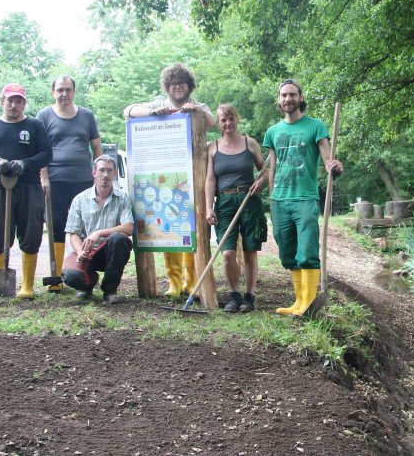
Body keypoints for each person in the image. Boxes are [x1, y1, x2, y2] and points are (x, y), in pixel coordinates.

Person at [124, 63, 215, 297]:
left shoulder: (198, 104)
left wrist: (194, 110)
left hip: (192, 177)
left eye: (182, 83)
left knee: (191, 228)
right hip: (165, 178)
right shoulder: (158, 103)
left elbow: (212, 121)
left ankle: (191, 282)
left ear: (189, 86)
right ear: (167, 86)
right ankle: (174, 283)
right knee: (169, 227)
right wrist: (153, 113)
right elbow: (129, 110)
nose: (177, 88)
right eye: (173, 84)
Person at [263, 79, 342, 317]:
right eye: (283, 95)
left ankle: (308, 303)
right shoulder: (273, 132)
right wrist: (271, 195)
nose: (287, 99)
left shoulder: (315, 126)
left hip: (305, 198)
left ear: (300, 97)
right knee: (287, 253)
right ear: (279, 100)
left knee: (306, 251)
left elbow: (329, 161)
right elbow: (273, 167)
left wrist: (335, 167)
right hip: (280, 201)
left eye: (292, 95)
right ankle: (298, 302)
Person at [0, 83, 53, 298]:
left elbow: (46, 154)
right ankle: (1, 286)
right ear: (2, 101)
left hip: (29, 187)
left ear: (24, 103)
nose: (14, 105)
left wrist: (25, 164)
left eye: (18, 101)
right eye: (10, 100)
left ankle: (27, 286)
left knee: (31, 233)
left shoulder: (34, 126)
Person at [37, 75, 103, 292]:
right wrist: (44, 178)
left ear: (74, 92)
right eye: (59, 90)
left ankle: (83, 275)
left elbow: (96, 148)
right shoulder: (44, 116)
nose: (64, 94)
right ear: (53, 92)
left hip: (83, 180)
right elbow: (40, 151)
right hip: (55, 181)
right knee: (56, 226)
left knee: (84, 227)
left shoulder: (86, 115)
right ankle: (55, 278)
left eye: (68, 89)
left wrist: (99, 173)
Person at [205, 104, 268, 313]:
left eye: (231, 118)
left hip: (249, 201)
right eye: (223, 120)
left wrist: (261, 182)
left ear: (237, 119)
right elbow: (210, 180)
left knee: (250, 251)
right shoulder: (212, 147)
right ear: (219, 123)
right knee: (227, 253)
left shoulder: (250, 143)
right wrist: (208, 208)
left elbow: (265, 171)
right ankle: (234, 294)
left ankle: (249, 297)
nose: (228, 123)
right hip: (224, 203)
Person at [62, 155, 133, 304]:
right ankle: (87, 286)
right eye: (101, 170)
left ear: (114, 173)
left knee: (119, 239)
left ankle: (110, 291)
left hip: (110, 252)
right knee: (70, 276)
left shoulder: (123, 198)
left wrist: (100, 232)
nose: (105, 175)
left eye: (109, 171)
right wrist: (80, 251)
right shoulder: (79, 199)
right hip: (85, 253)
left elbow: (128, 227)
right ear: (94, 173)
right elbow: (73, 232)